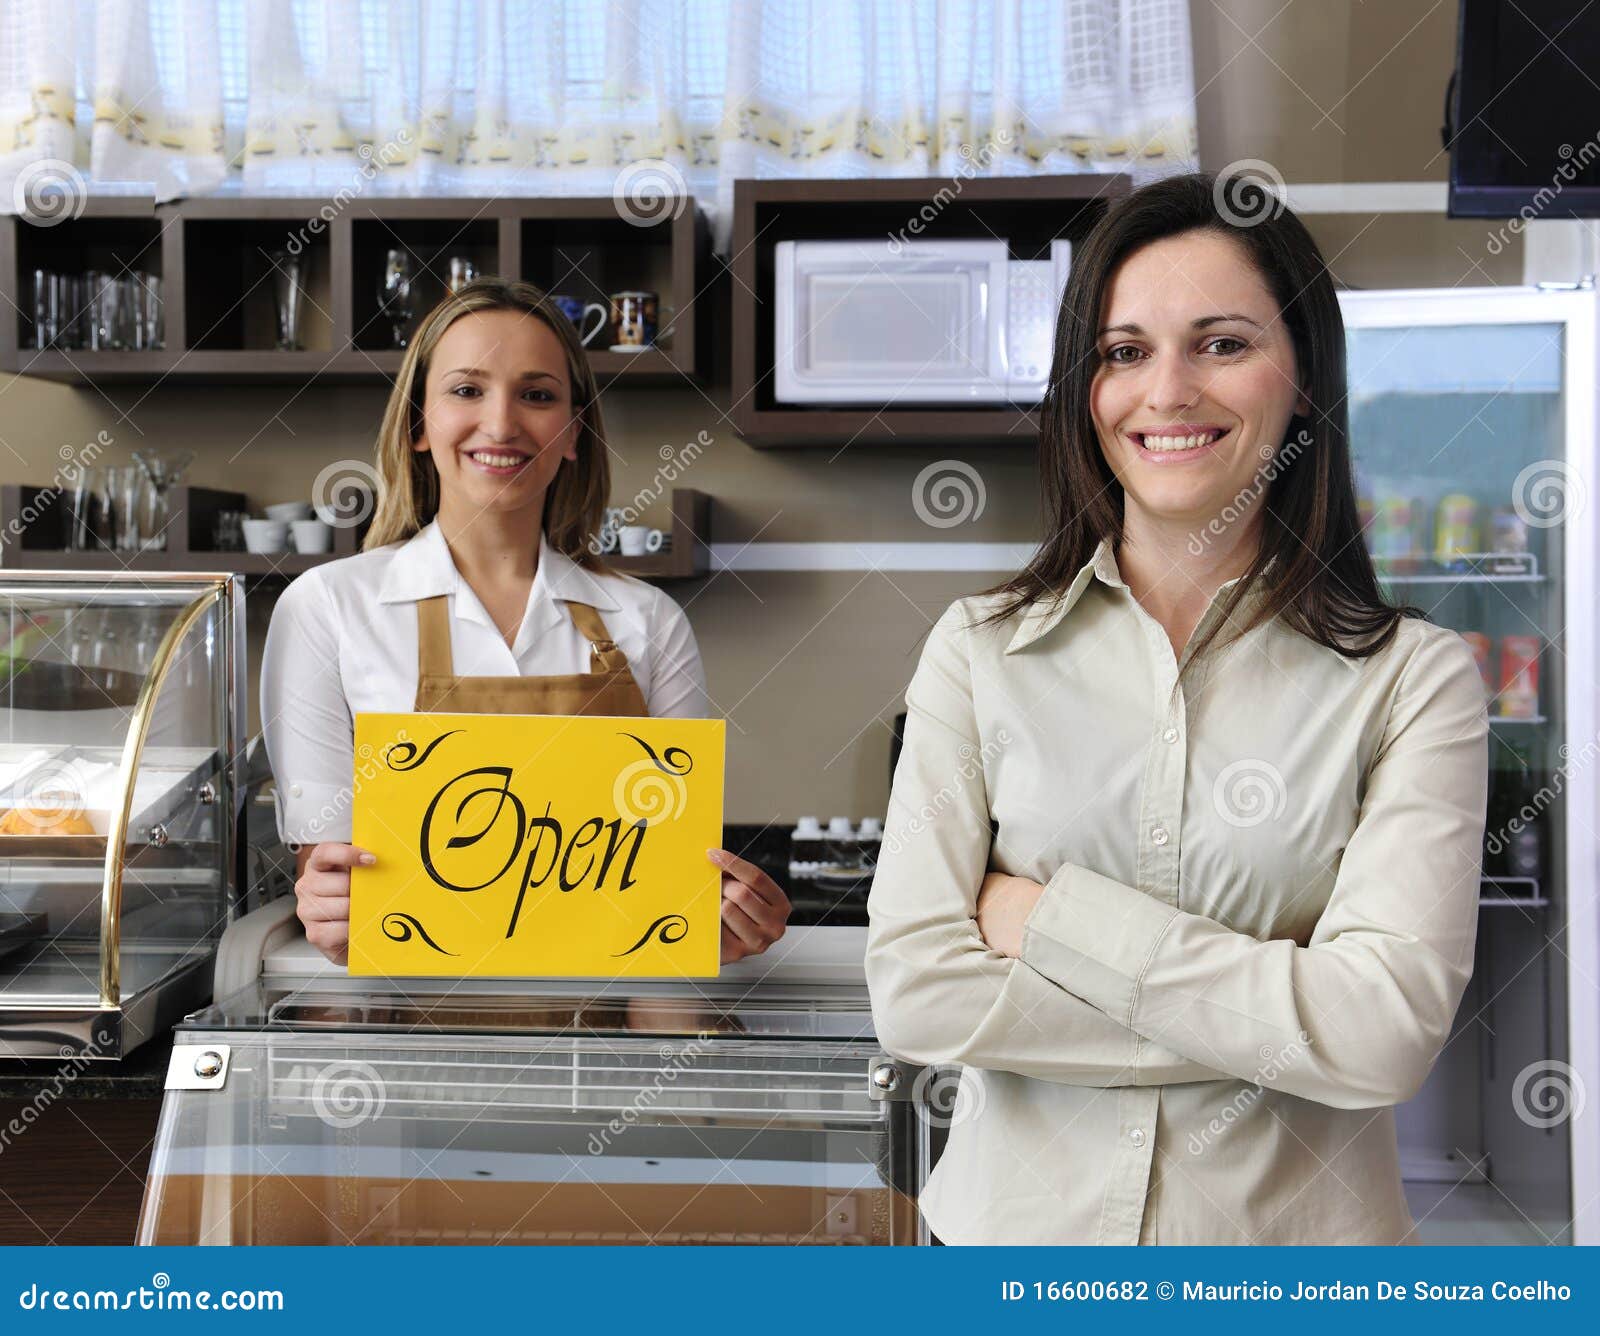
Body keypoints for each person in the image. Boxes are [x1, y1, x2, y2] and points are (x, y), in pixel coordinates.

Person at [865, 173, 1489, 1245]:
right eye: (1124, 351)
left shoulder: (1414, 679)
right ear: (1084, 388)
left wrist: (1045, 921)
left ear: (1303, 379)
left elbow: (1382, 1037)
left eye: (1222, 343)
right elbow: (920, 996)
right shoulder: (978, 653)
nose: (1166, 392)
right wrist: (1287, 1016)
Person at [262, 278, 788, 968]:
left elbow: (665, 877)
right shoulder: (327, 606)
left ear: (573, 433)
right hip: (397, 1034)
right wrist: (327, 903)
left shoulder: (648, 622)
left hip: (598, 1040)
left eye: (537, 395)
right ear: (419, 422)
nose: (503, 424)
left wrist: (717, 920)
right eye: (466, 390)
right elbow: (325, 866)